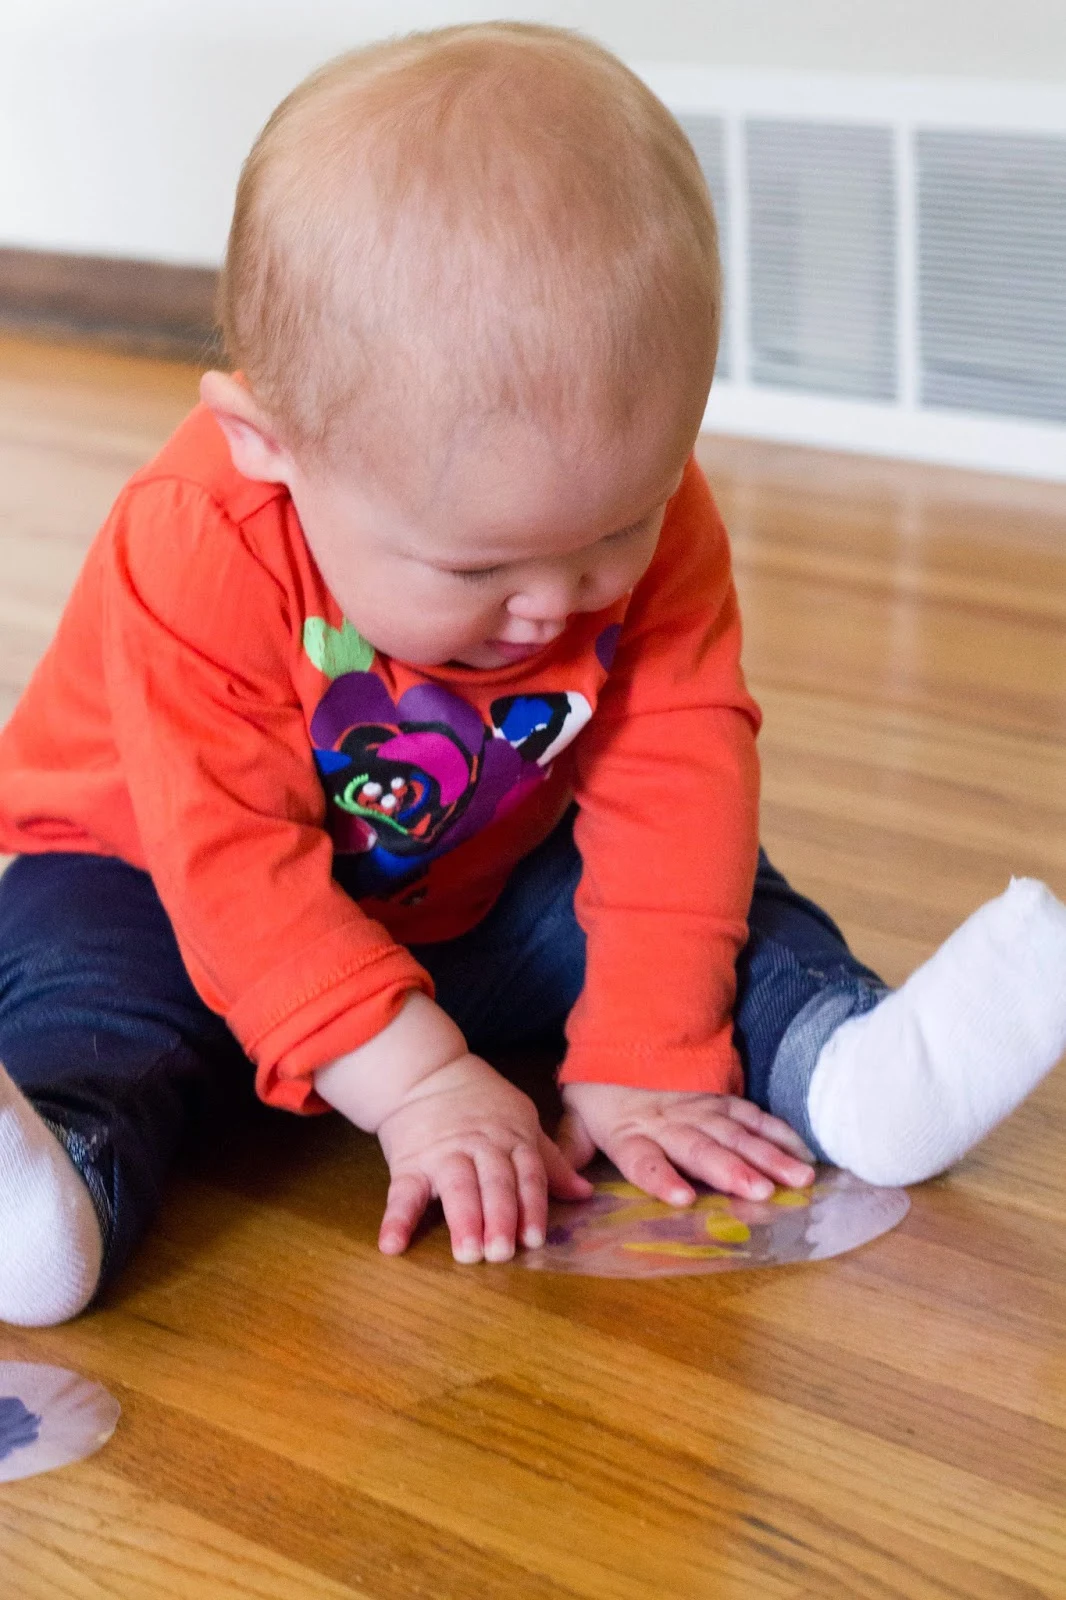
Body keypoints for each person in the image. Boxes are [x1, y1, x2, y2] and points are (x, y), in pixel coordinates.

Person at [1, 23, 1064, 1330]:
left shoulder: (651, 519)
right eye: (478, 570)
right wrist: (416, 1084)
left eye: (615, 531)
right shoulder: (198, 539)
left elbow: (677, 769)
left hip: (475, 880)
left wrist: (647, 1056)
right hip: (156, 878)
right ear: (267, 446)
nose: (562, 600)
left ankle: (845, 1063)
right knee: (95, 1002)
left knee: (712, 903)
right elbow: (228, 860)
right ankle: (60, 1181)